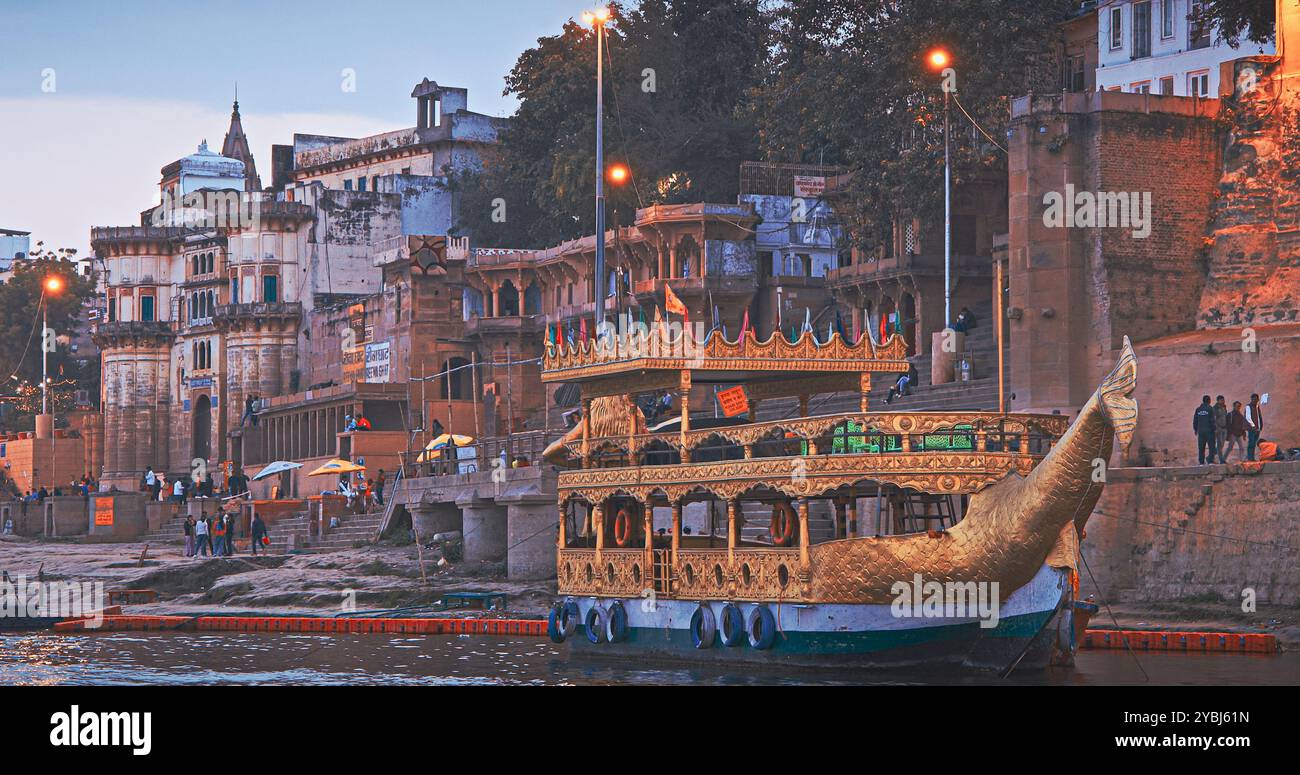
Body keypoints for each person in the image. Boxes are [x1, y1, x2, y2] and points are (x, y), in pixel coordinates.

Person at [1193, 395, 1216, 465]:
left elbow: (1195, 420)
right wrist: (1214, 429)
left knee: (1201, 447)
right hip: (1209, 431)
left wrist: (1196, 429)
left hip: (1201, 431)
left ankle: (1201, 462)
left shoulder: (1198, 409)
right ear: (1209, 401)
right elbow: (1212, 420)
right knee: (1211, 446)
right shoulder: (1210, 409)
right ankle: (1211, 461)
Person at [1244, 393, 1264, 461]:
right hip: (1252, 429)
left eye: (1256, 399)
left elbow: (1258, 417)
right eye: (1254, 399)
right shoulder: (1248, 406)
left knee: (1254, 444)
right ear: (1251, 399)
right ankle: (1250, 458)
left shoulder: (1257, 407)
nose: (1255, 400)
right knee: (1251, 443)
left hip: (1257, 429)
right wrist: (1253, 426)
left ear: (1258, 399)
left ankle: (1252, 458)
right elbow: (1248, 417)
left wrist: (1260, 426)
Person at [1212, 395, 1228, 463]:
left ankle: (1211, 455)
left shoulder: (1224, 407)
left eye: (1223, 400)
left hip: (1224, 428)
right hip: (1219, 429)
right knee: (1219, 445)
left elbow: (1225, 417)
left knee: (1221, 445)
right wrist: (1216, 428)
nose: (1223, 401)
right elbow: (1214, 419)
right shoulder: (1215, 408)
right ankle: (1221, 460)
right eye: (1221, 400)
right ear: (1218, 400)